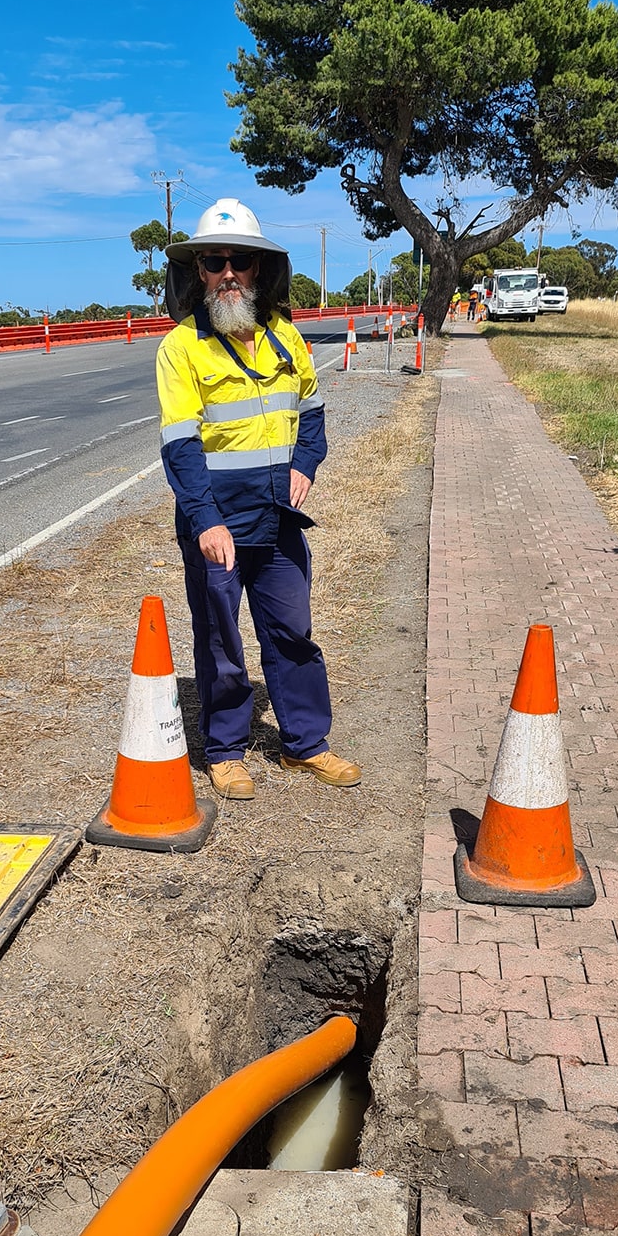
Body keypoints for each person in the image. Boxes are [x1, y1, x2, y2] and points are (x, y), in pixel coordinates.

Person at [155, 198, 360, 801]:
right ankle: (224, 750)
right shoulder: (181, 348)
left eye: (239, 260)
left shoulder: (287, 338)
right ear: (198, 272)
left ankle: (306, 745)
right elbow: (181, 447)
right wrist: (205, 520)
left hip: (279, 517)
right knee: (220, 638)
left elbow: (314, 414)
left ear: (258, 269)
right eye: (213, 261)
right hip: (216, 520)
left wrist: (305, 465)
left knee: (293, 630)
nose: (227, 273)